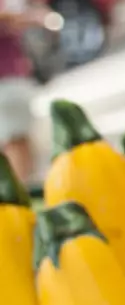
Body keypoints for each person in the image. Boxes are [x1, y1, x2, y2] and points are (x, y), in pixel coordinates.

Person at [0, 2, 49, 181]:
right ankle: (20, 196)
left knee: (19, 142)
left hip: (11, 80)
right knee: (16, 143)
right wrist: (32, 18)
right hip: (6, 82)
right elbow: (9, 17)